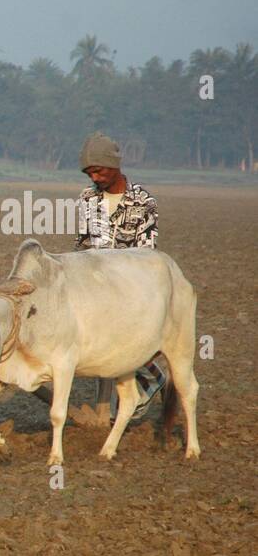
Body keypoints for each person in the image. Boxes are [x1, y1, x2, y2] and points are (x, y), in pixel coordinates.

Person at [75, 131, 168, 418]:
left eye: (100, 171)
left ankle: (150, 380)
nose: (95, 178)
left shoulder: (143, 202)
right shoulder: (86, 199)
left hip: (129, 288)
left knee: (123, 343)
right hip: (95, 284)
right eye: (90, 173)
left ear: (114, 165)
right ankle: (111, 407)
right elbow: (82, 246)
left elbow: (146, 256)